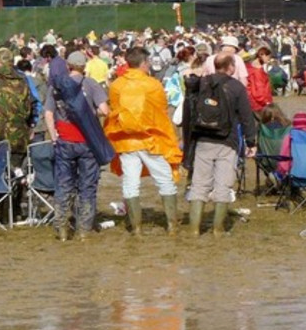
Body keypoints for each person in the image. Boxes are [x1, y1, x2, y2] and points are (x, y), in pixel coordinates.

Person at [105, 47, 184, 236]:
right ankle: (172, 225)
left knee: (130, 183)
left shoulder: (116, 85)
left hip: (126, 142)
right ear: (143, 63)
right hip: (151, 140)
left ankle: (136, 228)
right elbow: (161, 111)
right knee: (165, 181)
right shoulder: (153, 84)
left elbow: (114, 112)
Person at [183, 52, 255, 237]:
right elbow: (247, 117)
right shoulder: (237, 86)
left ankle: (193, 229)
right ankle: (218, 229)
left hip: (203, 138)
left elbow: (189, 108)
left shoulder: (202, 82)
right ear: (231, 67)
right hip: (227, 140)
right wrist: (251, 141)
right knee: (223, 185)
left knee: (199, 185)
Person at [43, 50, 110, 241]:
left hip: (64, 140)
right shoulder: (91, 84)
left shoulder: (56, 86)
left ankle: (62, 229)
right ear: (84, 67)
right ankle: (84, 230)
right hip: (87, 141)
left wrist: (54, 135)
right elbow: (105, 110)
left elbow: (48, 113)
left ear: (68, 66)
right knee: (87, 187)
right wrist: (91, 114)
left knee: (64, 185)